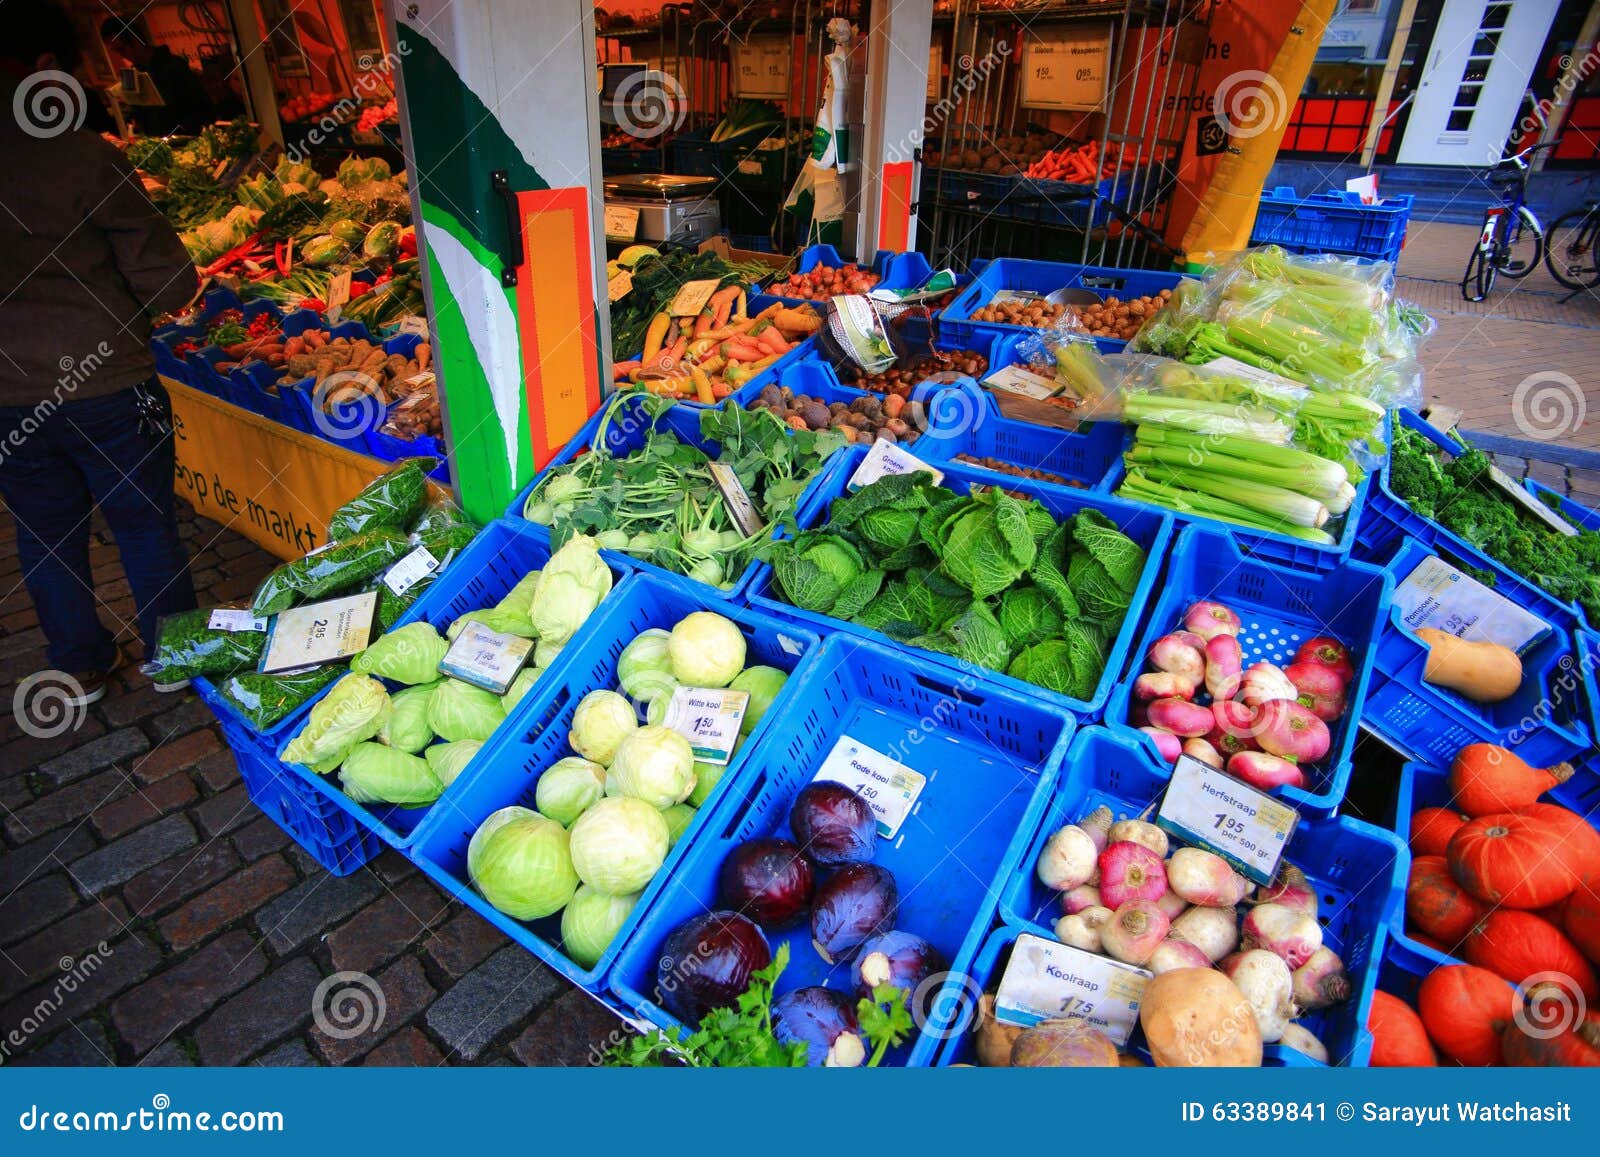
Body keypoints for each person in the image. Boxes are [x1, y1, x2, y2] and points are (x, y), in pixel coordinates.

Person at [1, 0, 200, 705]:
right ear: (46, 71)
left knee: (44, 531)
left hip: (9, 396)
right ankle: (173, 659)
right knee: (144, 522)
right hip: (106, 384)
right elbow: (173, 280)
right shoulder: (88, 160)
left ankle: (80, 659)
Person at [100, 15, 215, 136]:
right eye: (116, 51)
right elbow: (135, 114)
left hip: (186, 142)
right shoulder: (131, 74)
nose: (122, 56)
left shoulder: (174, 66)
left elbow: (203, 108)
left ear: (135, 40)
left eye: (121, 49)